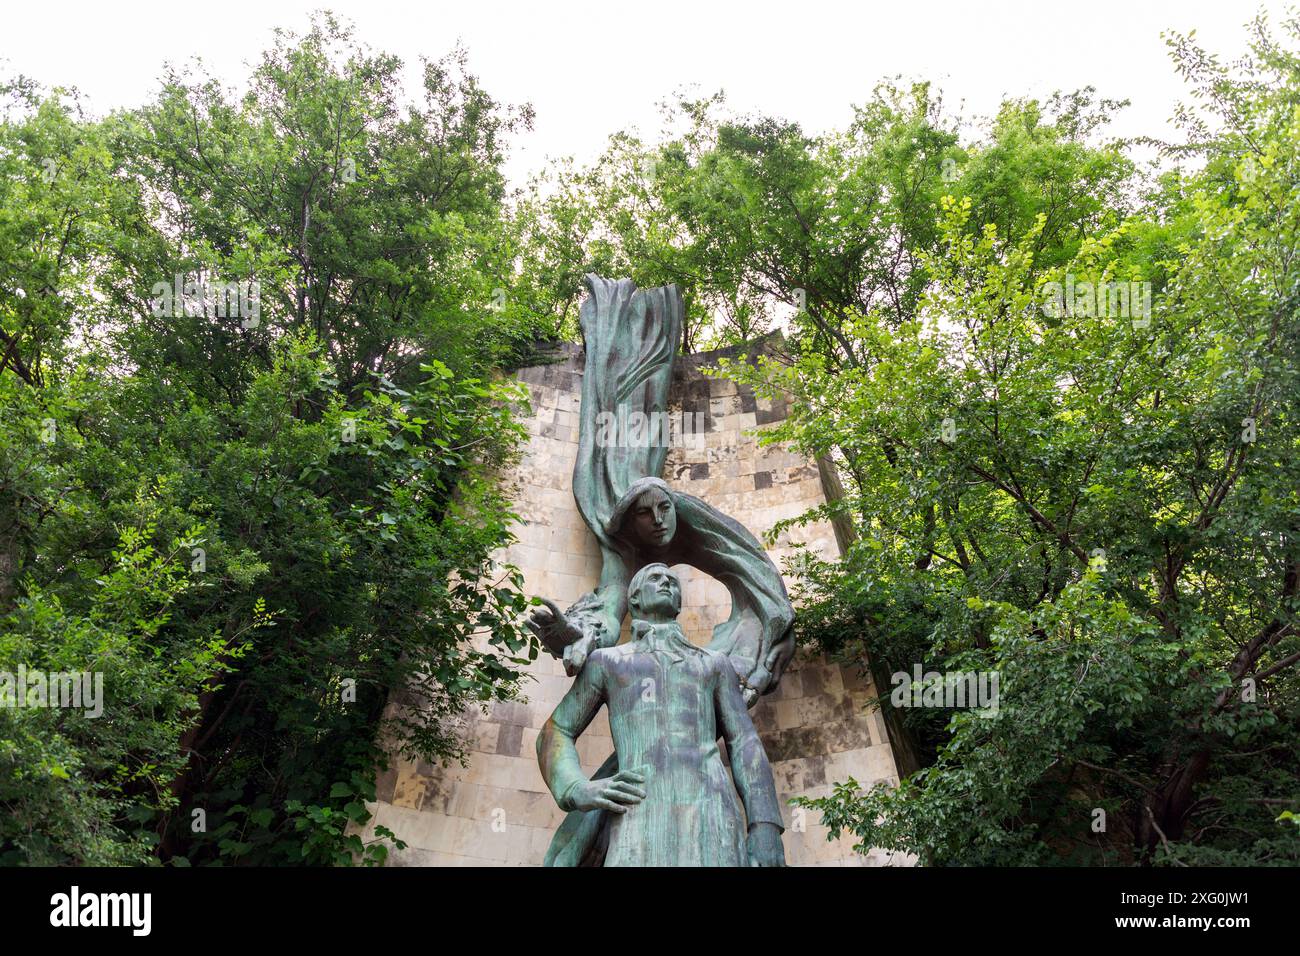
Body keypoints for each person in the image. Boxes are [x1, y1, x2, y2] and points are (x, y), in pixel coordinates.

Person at [536, 563, 786, 866]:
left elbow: (744, 743)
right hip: (638, 811)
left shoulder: (713, 663)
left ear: (679, 604)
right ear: (635, 599)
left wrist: (764, 827)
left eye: (672, 581)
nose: (667, 583)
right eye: (655, 579)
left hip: (712, 811)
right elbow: (557, 729)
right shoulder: (608, 662)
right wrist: (576, 788)